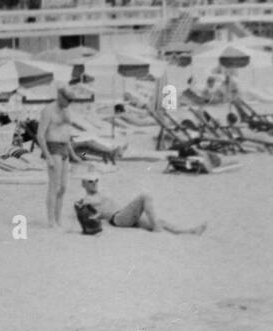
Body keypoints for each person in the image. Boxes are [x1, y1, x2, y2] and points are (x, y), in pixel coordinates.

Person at [77, 175, 206, 235]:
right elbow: (92, 214)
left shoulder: (100, 194)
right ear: (84, 184)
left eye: (96, 180)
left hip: (125, 216)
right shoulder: (87, 199)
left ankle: (189, 231)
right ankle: (157, 229)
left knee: (160, 220)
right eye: (90, 181)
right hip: (117, 219)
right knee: (145, 196)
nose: (94, 183)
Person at [38, 84, 84, 229]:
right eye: (67, 100)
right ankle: (51, 221)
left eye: (71, 101)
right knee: (54, 186)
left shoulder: (66, 111)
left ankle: (58, 219)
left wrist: (73, 154)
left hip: (64, 147)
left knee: (63, 187)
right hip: (53, 147)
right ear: (60, 96)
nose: (69, 103)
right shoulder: (48, 110)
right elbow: (40, 136)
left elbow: (66, 134)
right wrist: (48, 156)